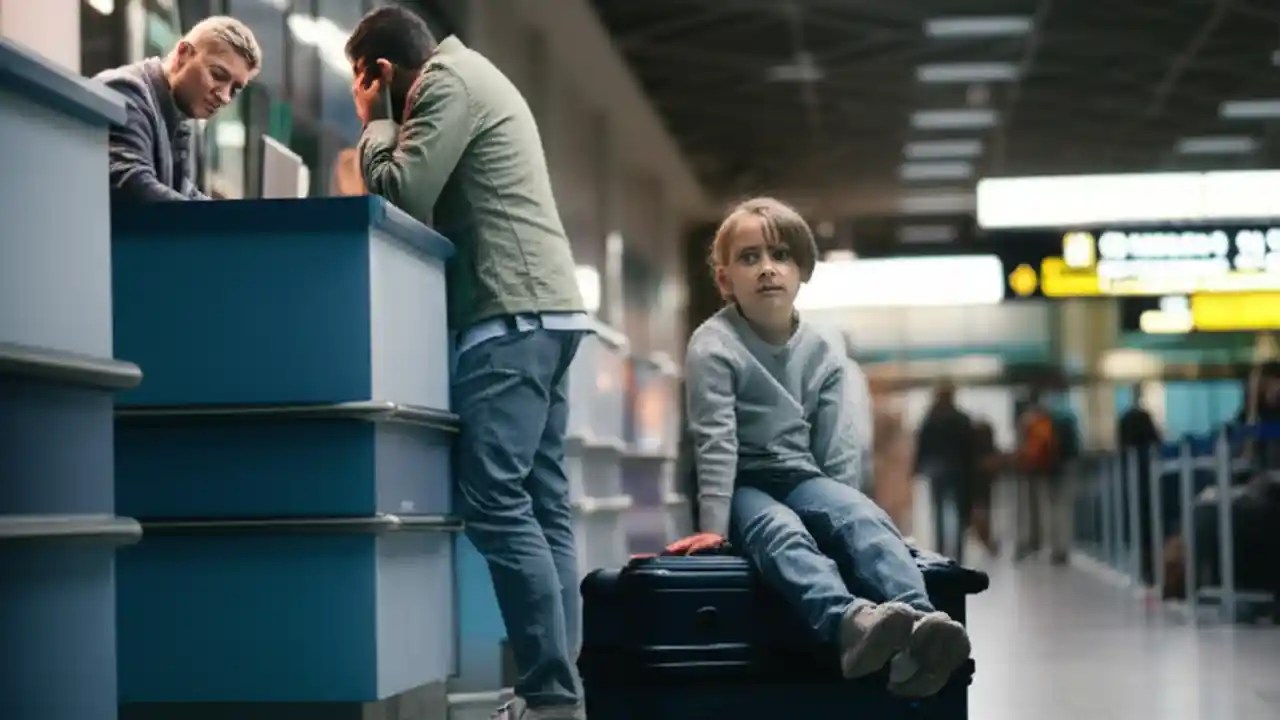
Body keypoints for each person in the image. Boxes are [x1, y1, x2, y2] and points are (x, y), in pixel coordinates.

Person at [345, 8, 590, 720]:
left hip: (510, 318)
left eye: (360, 85)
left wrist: (375, 121)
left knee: (495, 503)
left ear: (380, 73)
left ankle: (552, 694)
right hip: (545, 313)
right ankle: (560, 690)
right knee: (542, 507)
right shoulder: (476, 73)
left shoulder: (446, 84)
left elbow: (402, 191)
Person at [668, 197, 971, 699]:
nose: (767, 269)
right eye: (749, 258)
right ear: (725, 281)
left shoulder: (825, 345)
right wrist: (713, 530)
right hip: (745, 481)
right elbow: (715, 442)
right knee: (779, 531)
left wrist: (842, 509)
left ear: (801, 269)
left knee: (864, 519)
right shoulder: (713, 345)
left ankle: (922, 627)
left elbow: (837, 444)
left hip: (803, 475)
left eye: (780, 255)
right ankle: (848, 624)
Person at [95, 16, 261, 201]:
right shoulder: (127, 90)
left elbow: (186, 193)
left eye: (234, 89)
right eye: (217, 75)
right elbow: (133, 185)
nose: (225, 96)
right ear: (183, 54)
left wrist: (233, 220)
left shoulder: (181, 119)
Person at [914, 381, 974, 563]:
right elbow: (969, 448)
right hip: (958, 470)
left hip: (936, 468)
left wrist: (917, 467)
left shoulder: (930, 418)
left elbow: (922, 445)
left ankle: (940, 551)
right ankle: (959, 552)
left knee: (938, 512)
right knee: (959, 511)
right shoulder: (962, 418)